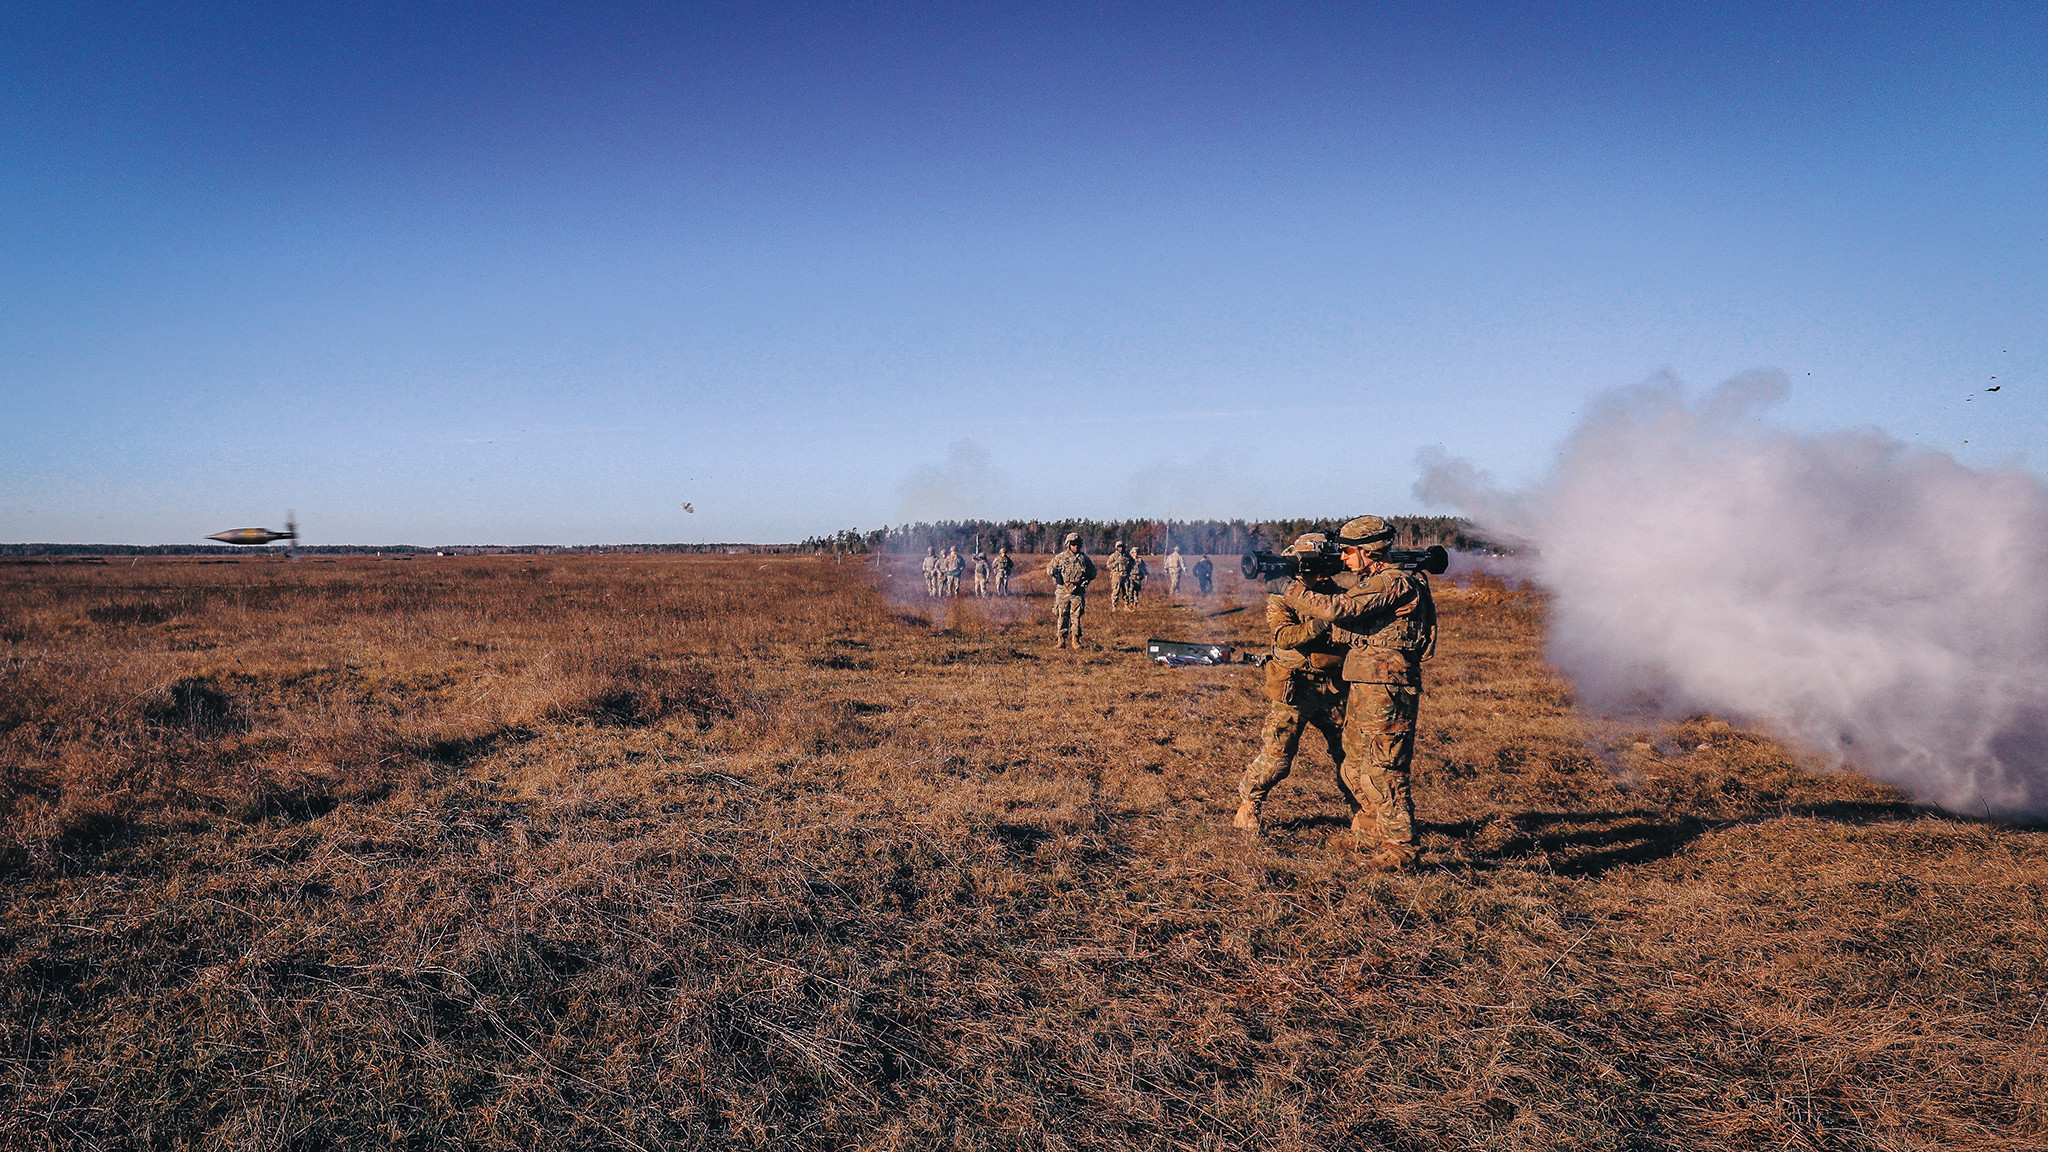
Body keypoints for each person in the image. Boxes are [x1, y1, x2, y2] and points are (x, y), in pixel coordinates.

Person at [1280, 516, 1437, 873]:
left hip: (1388, 686)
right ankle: (1369, 831)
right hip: (1365, 684)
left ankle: (1402, 848)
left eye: (1349, 552)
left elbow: (1340, 610)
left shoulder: (1393, 582)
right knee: (1354, 762)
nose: (1345, 559)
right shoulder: (1371, 583)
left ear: (1369, 552)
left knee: (1385, 768)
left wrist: (1294, 590)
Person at [1234, 534, 1350, 837]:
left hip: (1335, 688)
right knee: (1277, 758)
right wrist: (1323, 622)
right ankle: (1249, 802)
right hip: (1296, 688)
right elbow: (1284, 637)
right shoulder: (1280, 596)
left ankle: (1363, 815)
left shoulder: (1337, 594)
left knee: (1351, 755)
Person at [1046, 532, 1097, 648]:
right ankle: (1061, 641)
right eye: (1073, 544)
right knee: (1062, 615)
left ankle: (1075, 640)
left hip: (1077, 592)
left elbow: (1093, 572)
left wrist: (1087, 577)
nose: (1076, 546)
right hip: (1063, 591)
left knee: (1076, 617)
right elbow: (1049, 568)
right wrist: (1054, 572)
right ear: (1068, 544)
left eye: (1078, 544)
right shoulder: (1060, 558)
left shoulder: (1084, 558)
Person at [1107, 541, 1136, 610]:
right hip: (1116, 575)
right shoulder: (1113, 556)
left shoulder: (1127, 555)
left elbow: (1133, 562)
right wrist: (1116, 563)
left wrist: (1129, 566)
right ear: (1116, 548)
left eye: (1122, 547)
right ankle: (1114, 606)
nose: (1121, 548)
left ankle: (1126, 605)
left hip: (1125, 575)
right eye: (1119, 547)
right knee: (1116, 591)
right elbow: (1108, 565)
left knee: (1126, 591)